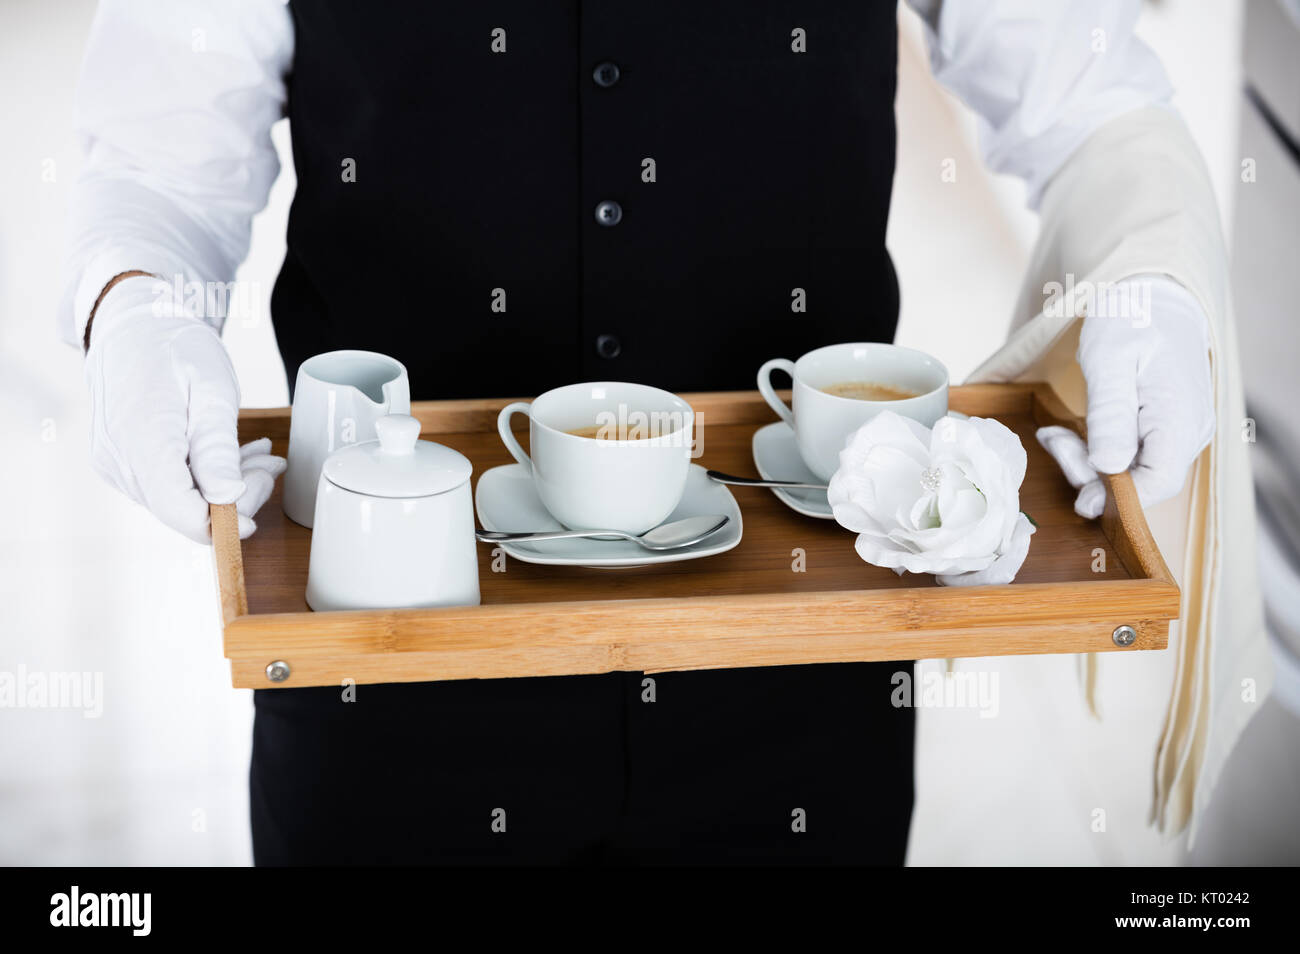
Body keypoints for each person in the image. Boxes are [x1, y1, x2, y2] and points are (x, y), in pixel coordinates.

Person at [63, 0, 1220, 864]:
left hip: (804, 675)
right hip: (386, 669)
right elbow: (161, 172)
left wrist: (1150, 275)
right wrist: (137, 314)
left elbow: (1089, 105)